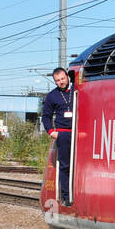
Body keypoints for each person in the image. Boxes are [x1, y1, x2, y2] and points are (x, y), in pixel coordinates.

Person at [41, 68, 75, 206]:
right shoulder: (52, 96)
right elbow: (46, 116)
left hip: (79, 132)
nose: (61, 82)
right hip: (63, 133)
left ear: (67, 76)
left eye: (62, 79)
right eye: (57, 81)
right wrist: (51, 132)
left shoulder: (77, 91)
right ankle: (66, 197)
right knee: (65, 166)